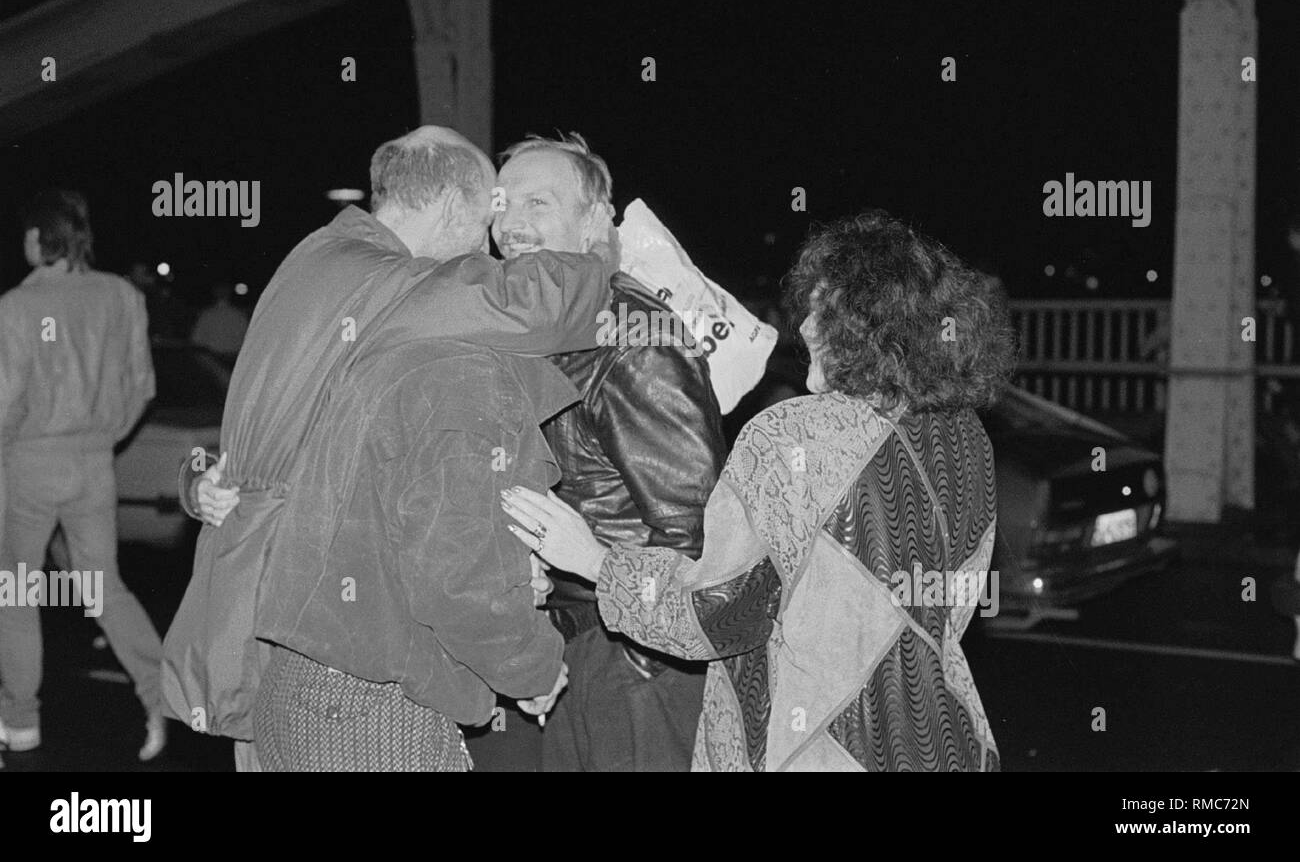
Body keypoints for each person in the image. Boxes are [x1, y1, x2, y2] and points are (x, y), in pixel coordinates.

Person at [163, 125, 616, 771]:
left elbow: (271, 411)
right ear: (459, 208)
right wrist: (599, 250)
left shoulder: (314, 258)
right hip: (322, 623)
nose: (498, 233)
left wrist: (198, 478)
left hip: (268, 608)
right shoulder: (394, 285)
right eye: (495, 207)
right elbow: (536, 304)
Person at [504, 211, 1015, 771]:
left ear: (854, 325)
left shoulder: (794, 435)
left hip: (815, 746)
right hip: (941, 736)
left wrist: (595, 560)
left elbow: (715, 616)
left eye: (819, 309)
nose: (804, 325)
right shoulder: (965, 436)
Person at [492, 134, 725, 771]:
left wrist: (634, 667)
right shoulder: (541, 326)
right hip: (577, 648)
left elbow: (698, 532)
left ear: (595, 220)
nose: (513, 223)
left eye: (538, 203)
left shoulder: (630, 339)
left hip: (634, 664)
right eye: (502, 203)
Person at [252, 336, 574, 771]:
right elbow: (459, 582)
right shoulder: (471, 381)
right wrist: (535, 668)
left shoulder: (397, 358)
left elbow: (396, 539)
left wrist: (512, 569)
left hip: (306, 688)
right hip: (369, 715)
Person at [0, 190, 166, 761]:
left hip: (29, 464)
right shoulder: (121, 296)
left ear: (41, 239)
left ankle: (20, 722)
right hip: (95, 465)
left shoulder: (17, 308)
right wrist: (99, 438)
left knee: (17, 593)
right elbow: (141, 385)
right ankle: (158, 696)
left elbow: (6, 402)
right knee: (103, 588)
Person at [190, 282, 249, 359]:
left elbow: (196, 341)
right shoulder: (240, 315)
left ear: (214, 293)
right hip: (234, 359)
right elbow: (247, 340)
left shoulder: (206, 315)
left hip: (212, 360)